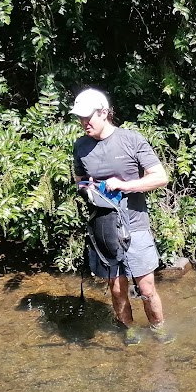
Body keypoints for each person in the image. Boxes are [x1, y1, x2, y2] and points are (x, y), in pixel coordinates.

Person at [70, 87, 174, 346]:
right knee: (117, 289)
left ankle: (159, 331)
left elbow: (160, 177)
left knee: (146, 289)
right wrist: (87, 189)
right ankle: (128, 332)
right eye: (80, 118)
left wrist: (125, 186)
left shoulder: (131, 140)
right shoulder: (81, 146)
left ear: (104, 113)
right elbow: (79, 180)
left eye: (88, 117)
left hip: (135, 225)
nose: (84, 122)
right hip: (103, 228)